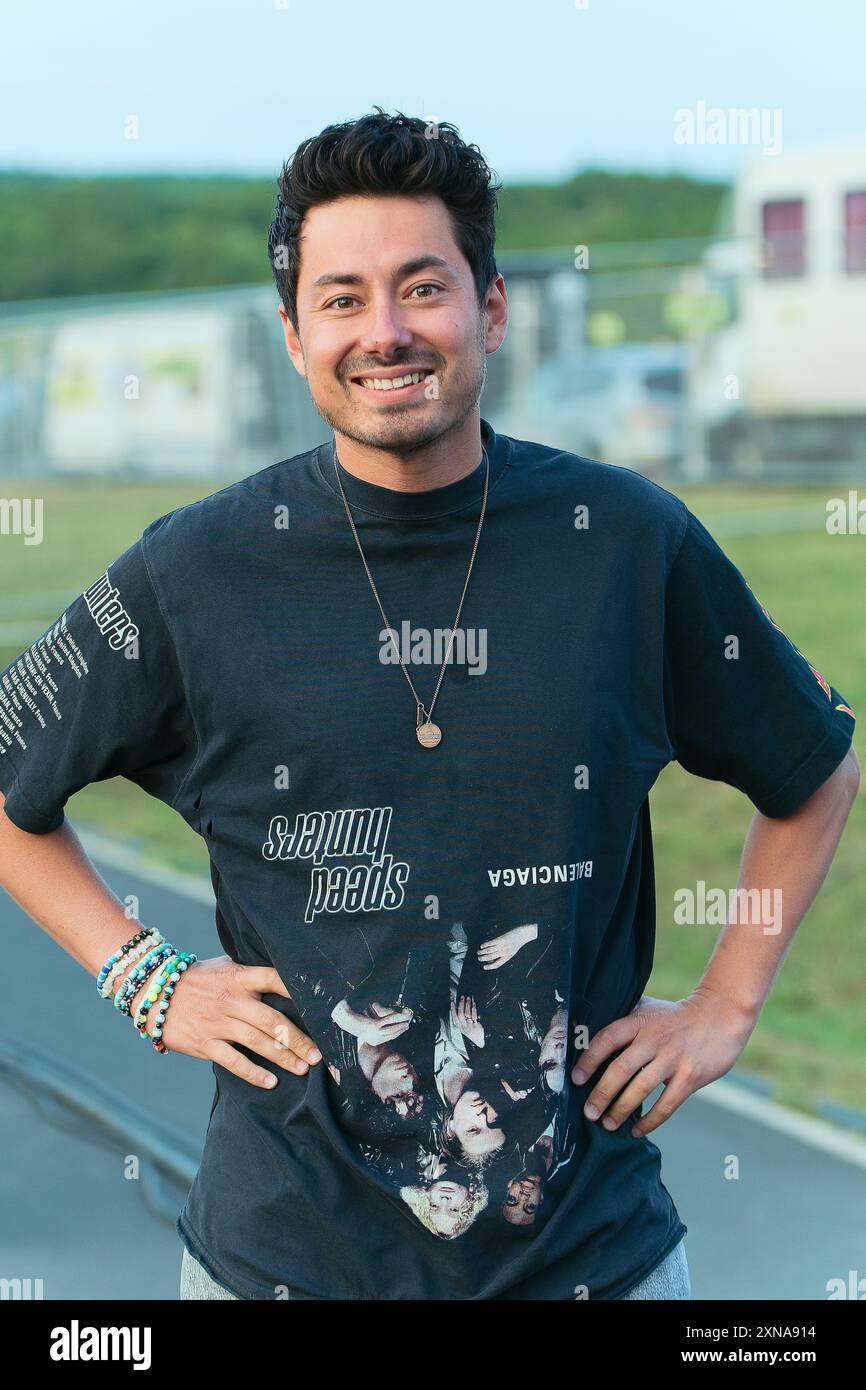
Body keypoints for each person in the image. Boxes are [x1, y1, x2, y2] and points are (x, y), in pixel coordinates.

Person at [0, 107, 858, 1303]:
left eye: (422, 288)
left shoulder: (622, 545)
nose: (386, 332)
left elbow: (810, 767)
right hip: (280, 1264)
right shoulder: (194, 570)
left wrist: (723, 1005)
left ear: (490, 308)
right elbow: (7, 780)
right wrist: (141, 975)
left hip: (589, 1265)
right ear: (294, 334)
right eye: (341, 299)